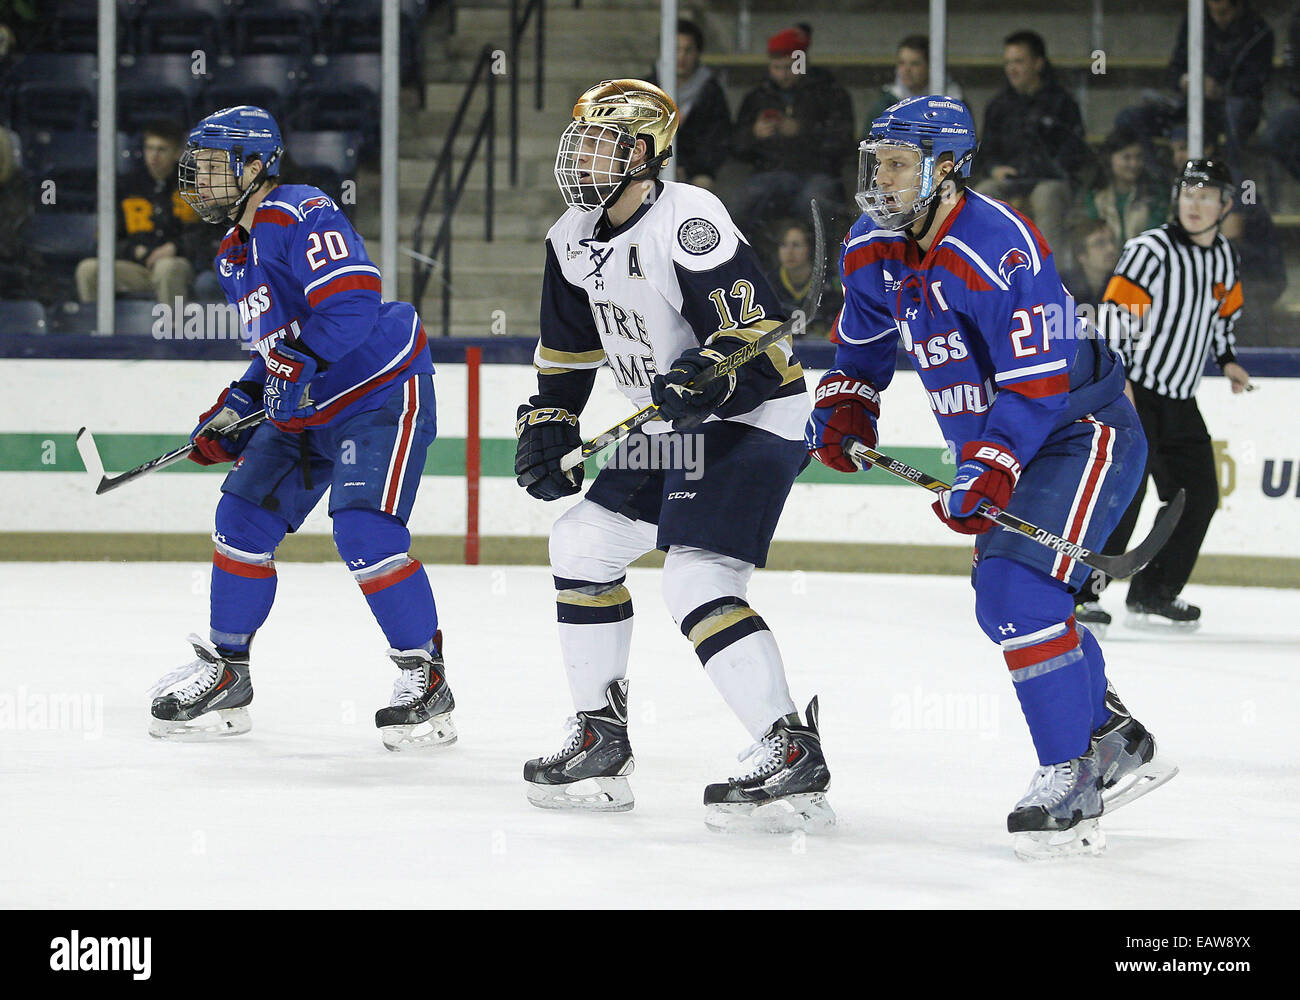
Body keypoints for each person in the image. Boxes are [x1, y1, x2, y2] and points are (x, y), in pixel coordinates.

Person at [806, 96, 1177, 859]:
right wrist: (849, 401)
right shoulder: (870, 246)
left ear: (948, 171)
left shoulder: (998, 244)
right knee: (1010, 599)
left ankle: (1072, 775)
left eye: (900, 164)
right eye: (877, 160)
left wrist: (992, 463)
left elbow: (1038, 381)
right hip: (1002, 444)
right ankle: (1111, 736)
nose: (881, 177)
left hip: (1079, 431)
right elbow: (865, 348)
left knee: (1016, 594)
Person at [515, 79, 832, 832]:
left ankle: (788, 747)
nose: (586, 156)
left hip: (755, 418)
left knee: (695, 578)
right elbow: (566, 356)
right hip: (672, 431)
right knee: (583, 543)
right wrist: (552, 419)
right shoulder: (568, 238)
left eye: (605, 142)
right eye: (582, 140)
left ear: (646, 154)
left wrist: (707, 372)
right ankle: (600, 736)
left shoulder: (688, 220)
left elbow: (754, 337)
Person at [145, 106, 454, 751]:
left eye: (211, 167)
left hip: (377, 392)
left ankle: (425, 682)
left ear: (256, 167)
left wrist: (291, 364)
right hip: (306, 408)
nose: (197, 180)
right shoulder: (232, 253)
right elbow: (278, 351)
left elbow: (351, 302)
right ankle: (226, 669)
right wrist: (234, 408)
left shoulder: (301, 211)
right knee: (241, 518)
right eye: (194, 167)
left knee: (364, 529)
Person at [1088, 159, 1252, 630]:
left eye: (1206, 196)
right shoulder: (1151, 251)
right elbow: (1116, 317)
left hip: (1180, 398)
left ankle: (1154, 592)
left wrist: (1229, 362)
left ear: (1223, 205)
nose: (1194, 204)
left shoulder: (1224, 256)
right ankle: (1082, 592)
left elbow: (1222, 317)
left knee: (1197, 496)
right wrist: (1119, 385)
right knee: (1124, 495)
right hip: (1136, 391)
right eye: (1188, 193)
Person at [730, 27, 856, 251]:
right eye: (777, 67)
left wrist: (803, 132)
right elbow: (735, 146)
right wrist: (754, 134)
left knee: (818, 204)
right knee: (740, 205)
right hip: (770, 174)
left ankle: (826, 275)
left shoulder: (828, 92)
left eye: (789, 67)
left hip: (818, 173)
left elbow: (843, 141)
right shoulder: (757, 96)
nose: (783, 74)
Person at [975, 31, 1093, 258]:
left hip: (1050, 182)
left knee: (1046, 196)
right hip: (1009, 181)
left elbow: (1073, 154)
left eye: (1018, 61)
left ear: (1038, 63)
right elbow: (986, 151)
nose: (1011, 68)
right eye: (1008, 62)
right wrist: (995, 169)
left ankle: (1050, 277)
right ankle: (983, 268)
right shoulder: (998, 106)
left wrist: (1038, 172)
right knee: (983, 194)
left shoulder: (1062, 103)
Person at [1116, 0, 1273, 163]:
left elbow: (1256, 82)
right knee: (1128, 117)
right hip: (1189, 107)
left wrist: (1220, 90)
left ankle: (1230, 175)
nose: (1218, 19)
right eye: (1213, 12)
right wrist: (1184, 80)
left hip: (1225, 112)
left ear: (1238, 7)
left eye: (1224, 13)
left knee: (1235, 113)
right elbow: (1175, 68)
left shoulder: (1258, 33)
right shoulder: (1196, 22)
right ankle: (1156, 178)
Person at [74, 121, 205, 305]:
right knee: (88, 269)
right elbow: (107, 238)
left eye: (162, 149)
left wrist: (175, 247)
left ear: (177, 153)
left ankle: (171, 330)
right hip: (137, 267)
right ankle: (97, 331)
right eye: (149, 148)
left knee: (167, 268)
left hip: (178, 265)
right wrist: (135, 251)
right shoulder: (126, 187)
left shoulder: (194, 185)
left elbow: (206, 233)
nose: (154, 156)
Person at [647, 18, 731, 190]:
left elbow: (718, 139)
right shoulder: (646, 89)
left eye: (688, 50)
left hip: (696, 173)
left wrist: (687, 169)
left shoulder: (710, 91)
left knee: (702, 189)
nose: (681, 57)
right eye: (675, 50)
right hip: (651, 170)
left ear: (698, 53)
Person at [862, 35, 964, 136]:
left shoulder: (955, 106)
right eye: (901, 63)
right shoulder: (885, 107)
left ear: (930, 67)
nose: (906, 70)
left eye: (915, 64)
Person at [1081, 127, 1166, 248]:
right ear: (1110, 158)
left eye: (1138, 157)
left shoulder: (1153, 194)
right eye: (1127, 157)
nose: (1134, 164)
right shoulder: (1095, 195)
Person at [769, 217, 841, 337]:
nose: (789, 252)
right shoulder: (769, 284)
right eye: (784, 245)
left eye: (796, 245)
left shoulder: (830, 284)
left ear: (810, 249)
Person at [1060, 216, 1120, 310]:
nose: (1111, 249)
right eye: (1100, 243)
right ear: (1081, 255)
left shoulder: (1122, 282)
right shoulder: (1063, 288)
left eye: (1112, 241)